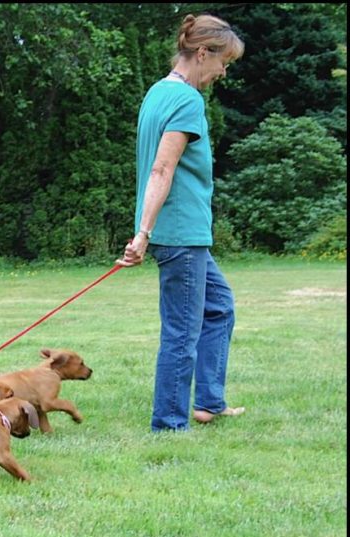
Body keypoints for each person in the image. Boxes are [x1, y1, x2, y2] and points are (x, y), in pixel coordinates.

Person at [116, 14, 246, 432]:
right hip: (180, 233)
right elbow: (161, 168)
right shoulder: (188, 100)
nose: (223, 72)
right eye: (223, 61)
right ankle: (169, 423)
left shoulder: (157, 92)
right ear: (202, 53)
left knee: (219, 307)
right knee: (181, 331)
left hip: (183, 233)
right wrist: (143, 232)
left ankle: (209, 402)